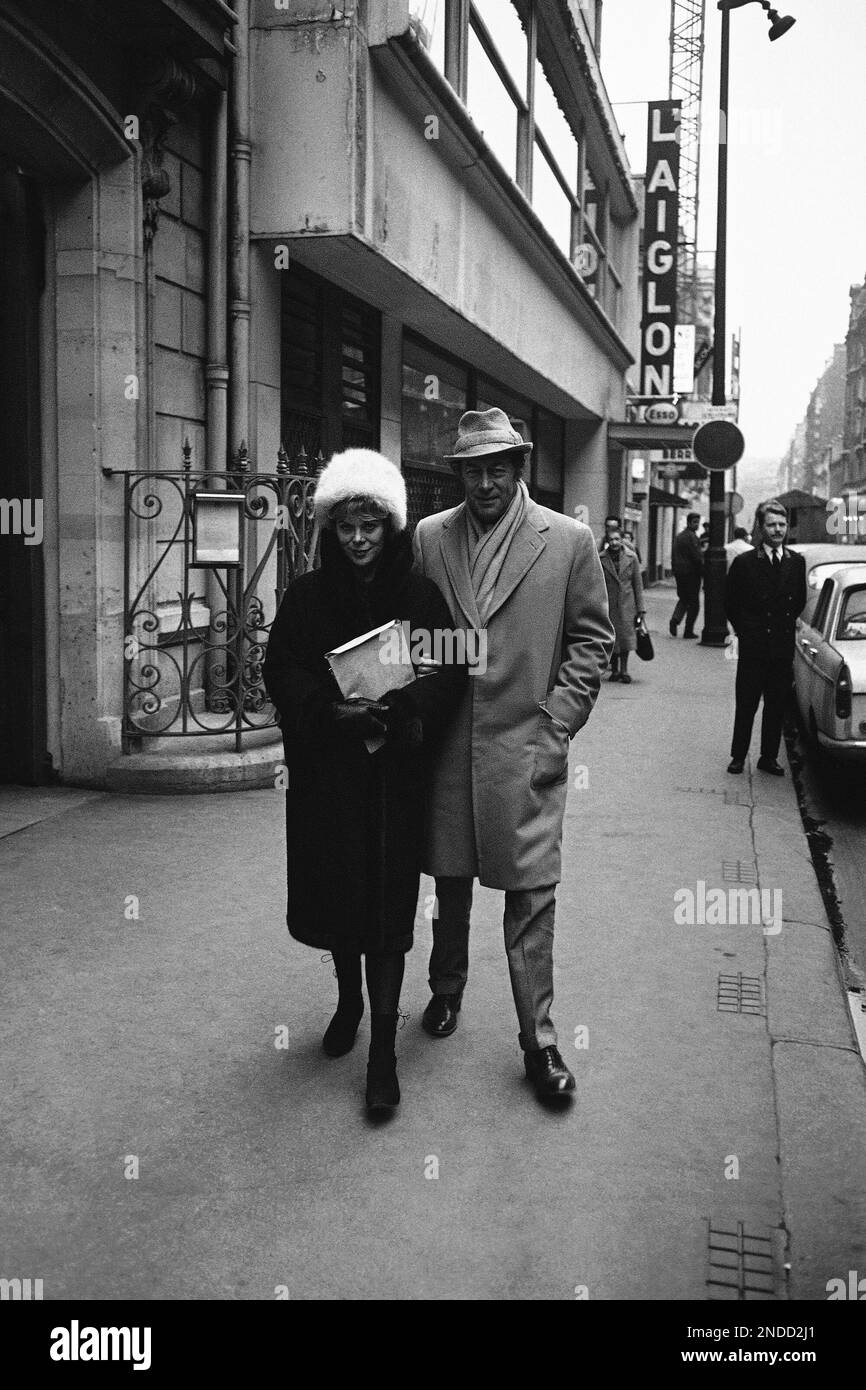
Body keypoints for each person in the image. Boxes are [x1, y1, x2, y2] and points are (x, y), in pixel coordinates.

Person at [412, 408, 614, 1102]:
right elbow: (417, 633)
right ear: (460, 474)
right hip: (446, 750)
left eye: (497, 466)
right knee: (449, 884)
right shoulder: (430, 537)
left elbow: (593, 641)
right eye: (473, 468)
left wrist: (558, 724)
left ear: (519, 469)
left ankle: (540, 1043)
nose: (485, 481)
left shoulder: (567, 541)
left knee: (531, 898)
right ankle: (445, 989)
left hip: (527, 750)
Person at [263, 449, 465, 1115]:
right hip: (328, 778)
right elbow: (280, 670)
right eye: (347, 526)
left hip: (391, 783)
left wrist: (406, 712)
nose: (358, 539)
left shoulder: (420, 596)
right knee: (341, 901)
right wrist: (326, 710)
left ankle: (383, 1054)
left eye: (370, 526)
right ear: (331, 527)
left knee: (385, 914)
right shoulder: (304, 596)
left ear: (391, 528)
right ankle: (347, 998)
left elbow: (449, 672)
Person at [725, 498, 807, 776]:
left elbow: (798, 602)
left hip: (782, 648)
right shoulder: (745, 562)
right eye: (771, 524)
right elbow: (731, 603)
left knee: (776, 704)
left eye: (782, 524)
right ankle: (738, 755)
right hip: (754, 647)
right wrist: (746, 631)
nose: (777, 530)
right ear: (760, 527)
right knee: (746, 704)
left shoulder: (796, 562)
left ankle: (768, 757)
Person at [600, 529, 646, 684]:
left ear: (622, 540)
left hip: (627, 604)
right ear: (607, 540)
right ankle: (614, 669)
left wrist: (641, 609)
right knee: (611, 638)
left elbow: (637, 585)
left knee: (626, 638)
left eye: (617, 539)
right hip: (609, 605)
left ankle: (624, 670)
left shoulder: (631, 558)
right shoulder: (601, 558)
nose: (614, 542)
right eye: (611, 539)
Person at [669, 512, 704, 638]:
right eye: (695, 522)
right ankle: (688, 630)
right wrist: (703, 572)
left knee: (684, 598)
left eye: (698, 522)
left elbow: (673, 554)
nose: (697, 525)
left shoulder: (679, 536)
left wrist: (674, 569)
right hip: (691, 574)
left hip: (679, 573)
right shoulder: (692, 537)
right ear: (689, 522)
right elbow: (697, 557)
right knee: (694, 603)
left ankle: (675, 620)